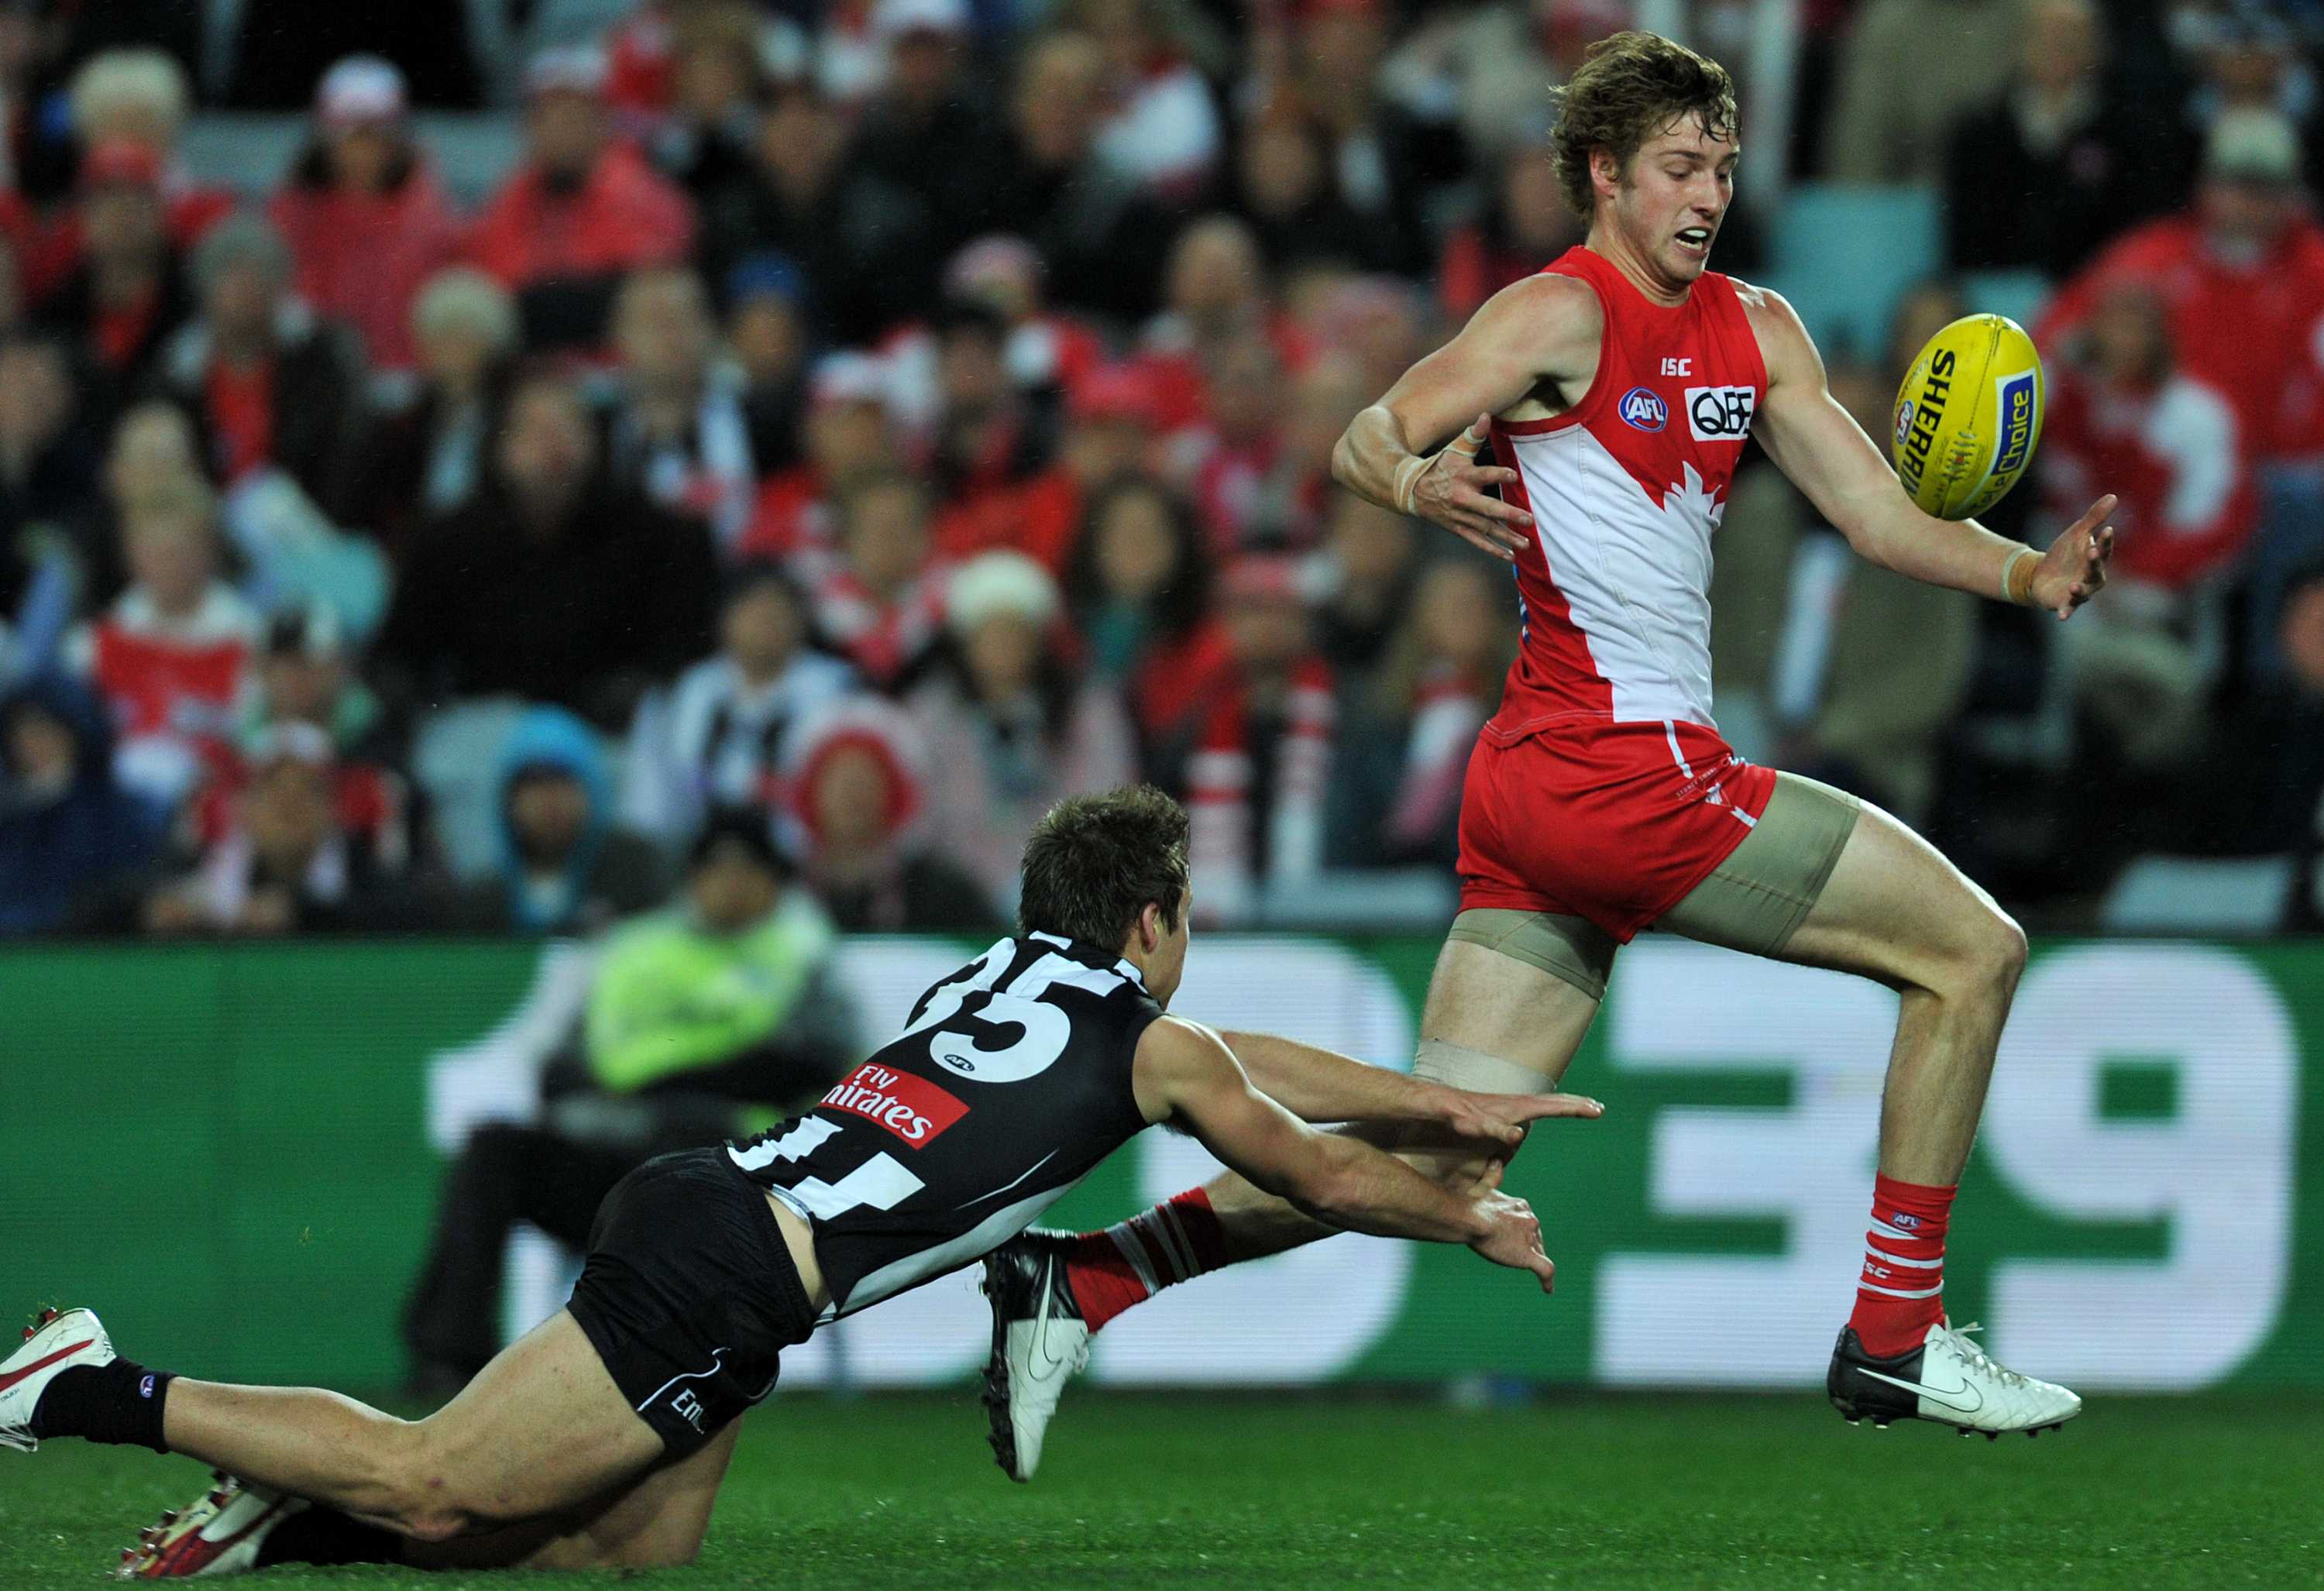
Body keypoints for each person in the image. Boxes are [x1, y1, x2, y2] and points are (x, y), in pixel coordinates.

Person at [980, 30, 2115, 1471]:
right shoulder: (1555, 314)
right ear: (1604, 174)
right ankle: (1897, 1328)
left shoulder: (1759, 328)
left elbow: (1878, 514)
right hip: (1628, 776)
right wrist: (1417, 483)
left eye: (1724, 167)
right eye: (1679, 168)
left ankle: (1085, 1276)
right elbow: (1366, 434)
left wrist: (2028, 572)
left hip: (1540, 787)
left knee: (1443, 1150)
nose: (1708, 195)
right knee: (1975, 951)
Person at [24, 785, 1597, 1579]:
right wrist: (1462, 1204)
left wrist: (1445, 1099)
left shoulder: (997, 978)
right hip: (727, 1267)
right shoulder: (1147, 1043)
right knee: (436, 1476)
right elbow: (1304, 1157)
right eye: (1185, 917)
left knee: (624, 1548)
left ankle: (282, 1522)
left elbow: (1239, 1058)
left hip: (723, 1216)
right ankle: (87, 1384)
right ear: (1152, 919)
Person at [404, 807, 858, 1391]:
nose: (731, 883)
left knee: (688, 1143)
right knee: (494, 1151)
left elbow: (818, 1063)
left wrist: (664, 1086)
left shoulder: (802, 953)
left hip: (738, 1170)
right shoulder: (632, 949)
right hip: (619, 1155)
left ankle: (685, 1373)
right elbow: (560, 1067)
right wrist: (632, 1097)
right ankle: (452, 1360)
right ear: (692, 877)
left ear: (776, 882)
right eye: (717, 867)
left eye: (749, 869)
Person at [267, 55, 464, 376]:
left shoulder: (433, 220)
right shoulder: (291, 216)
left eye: (374, 137)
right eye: (350, 138)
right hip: (315, 381)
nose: (362, 152)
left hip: (410, 380)